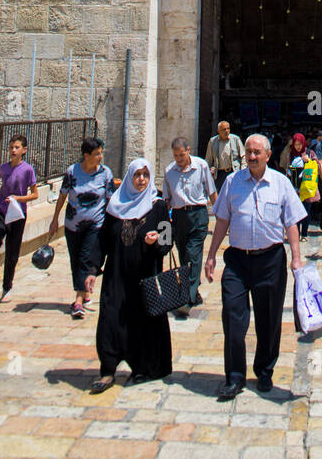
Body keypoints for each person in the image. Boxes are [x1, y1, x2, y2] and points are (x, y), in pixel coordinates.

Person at [204, 134, 306, 401]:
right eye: (248, 152)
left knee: (268, 320)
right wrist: (212, 254)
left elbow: (292, 222)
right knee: (233, 318)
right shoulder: (232, 182)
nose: (251, 157)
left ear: (268, 155)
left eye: (256, 152)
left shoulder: (281, 184)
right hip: (237, 260)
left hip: (270, 260)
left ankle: (264, 370)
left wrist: (296, 258)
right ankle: (234, 377)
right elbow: (223, 220)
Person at [90, 158, 172, 394]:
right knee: (110, 318)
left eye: (146, 175)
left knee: (143, 321)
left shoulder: (157, 206)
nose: (141, 180)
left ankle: (142, 367)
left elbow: (167, 240)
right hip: (117, 276)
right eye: (137, 175)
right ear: (129, 177)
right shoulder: (115, 207)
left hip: (145, 275)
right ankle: (107, 370)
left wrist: (156, 242)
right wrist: (92, 269)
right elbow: (102, 240)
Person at [49, 137, 116, 318]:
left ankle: (78, 300)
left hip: (96, 224)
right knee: (76, 260)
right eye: (97, 154)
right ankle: (85, 292)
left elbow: (111, 199)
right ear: (86, 155)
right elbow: (63, 196)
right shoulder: (72, 172)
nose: (100, 157)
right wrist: (55, 219)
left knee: (86, 257)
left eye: (101, 153)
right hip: (73, 225)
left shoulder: (105, 173)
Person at [0, 134, 38, 302]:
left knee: (12, 252)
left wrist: (18, 198)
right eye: (11, 147)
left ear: (24, 150)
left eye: (17, 147)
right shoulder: (3, 168)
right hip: (2, 211)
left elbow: (35, 194)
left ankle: (7, 288)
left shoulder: (28, 170)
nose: (13, 150)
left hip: (17, 213)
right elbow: (3, 187)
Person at [163, 136, 217, 316]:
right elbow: (167, 199)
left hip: (198, 214)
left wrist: (220, 215)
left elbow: (211, 191)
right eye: (176, 155)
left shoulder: (200, 166)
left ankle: (187, 297)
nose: (179, 158)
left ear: (189, 151)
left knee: (194, 256)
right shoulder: (169, 171)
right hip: (179, 217)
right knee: (184, 256)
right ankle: (195, 291)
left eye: (182, 154)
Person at [282, 132, 322, 240]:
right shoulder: (290, 154)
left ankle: (304, 234)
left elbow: (317, 166)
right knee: (295, 212)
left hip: (306, 187)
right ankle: (296, 234)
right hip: (295, 188)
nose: (298, 147)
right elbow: (287, 169)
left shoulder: (310, 153)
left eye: (299, 144)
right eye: (296, 144)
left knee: (306, 211)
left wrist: (308, 161)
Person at [205, 120, 245, 191]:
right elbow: (208, 159)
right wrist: (208, 172)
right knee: (221, 195)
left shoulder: (236, 139)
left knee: (234, 194)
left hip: (234, 172)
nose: (227, 131)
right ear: (218, 130)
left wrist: (242, 170)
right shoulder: (212, 142)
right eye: (224, 129)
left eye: (228, 128)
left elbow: (243, 156)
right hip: (219, 174)